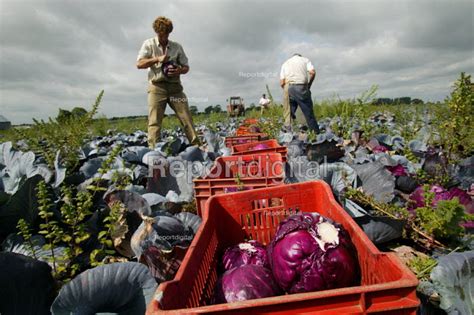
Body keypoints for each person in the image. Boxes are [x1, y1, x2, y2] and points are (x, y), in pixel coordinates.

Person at [136, 16, 199, 149]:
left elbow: (186, 67)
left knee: (186, 118)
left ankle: (197, 146)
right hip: (157, 87)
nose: (164, 37)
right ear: (156, 32)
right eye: (161, 34)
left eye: (166, 34)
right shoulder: (148, 44)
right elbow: (139, 64)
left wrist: (179, 71)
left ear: (170, 32)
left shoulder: (177, 47)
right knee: (154, 122)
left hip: (175, 87)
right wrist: (157, 58)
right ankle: (153, 151)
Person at [279, 53, 320, 133]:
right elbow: (312, 72)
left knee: (289, 112)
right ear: (300, 56)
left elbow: (282, 82)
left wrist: (287, 91)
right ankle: (315, 134)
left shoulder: (285, 63)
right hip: (301, 87)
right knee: (308, 113)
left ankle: (287, 134)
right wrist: (309, 84)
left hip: (289, 87)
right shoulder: (305, 60)